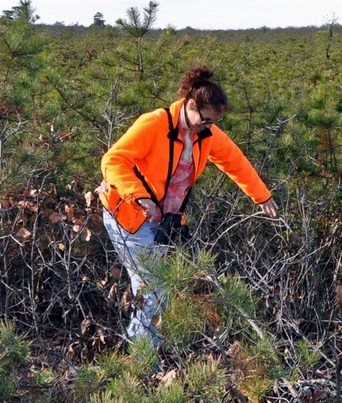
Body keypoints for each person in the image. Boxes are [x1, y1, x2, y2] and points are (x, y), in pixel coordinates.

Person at [99, 65, 277, 352]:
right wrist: (140, 196)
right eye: (205, 120)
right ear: (190, 105)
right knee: (153, 288)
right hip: (129, 216)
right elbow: (112, 161)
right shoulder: (155, 123)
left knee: (156, 289)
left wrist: (262, 196)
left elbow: (235, 161)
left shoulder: (206, 134)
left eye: (213, 122)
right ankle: (141, 361)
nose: (208, 127)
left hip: (162, 221)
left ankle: (142, 354)